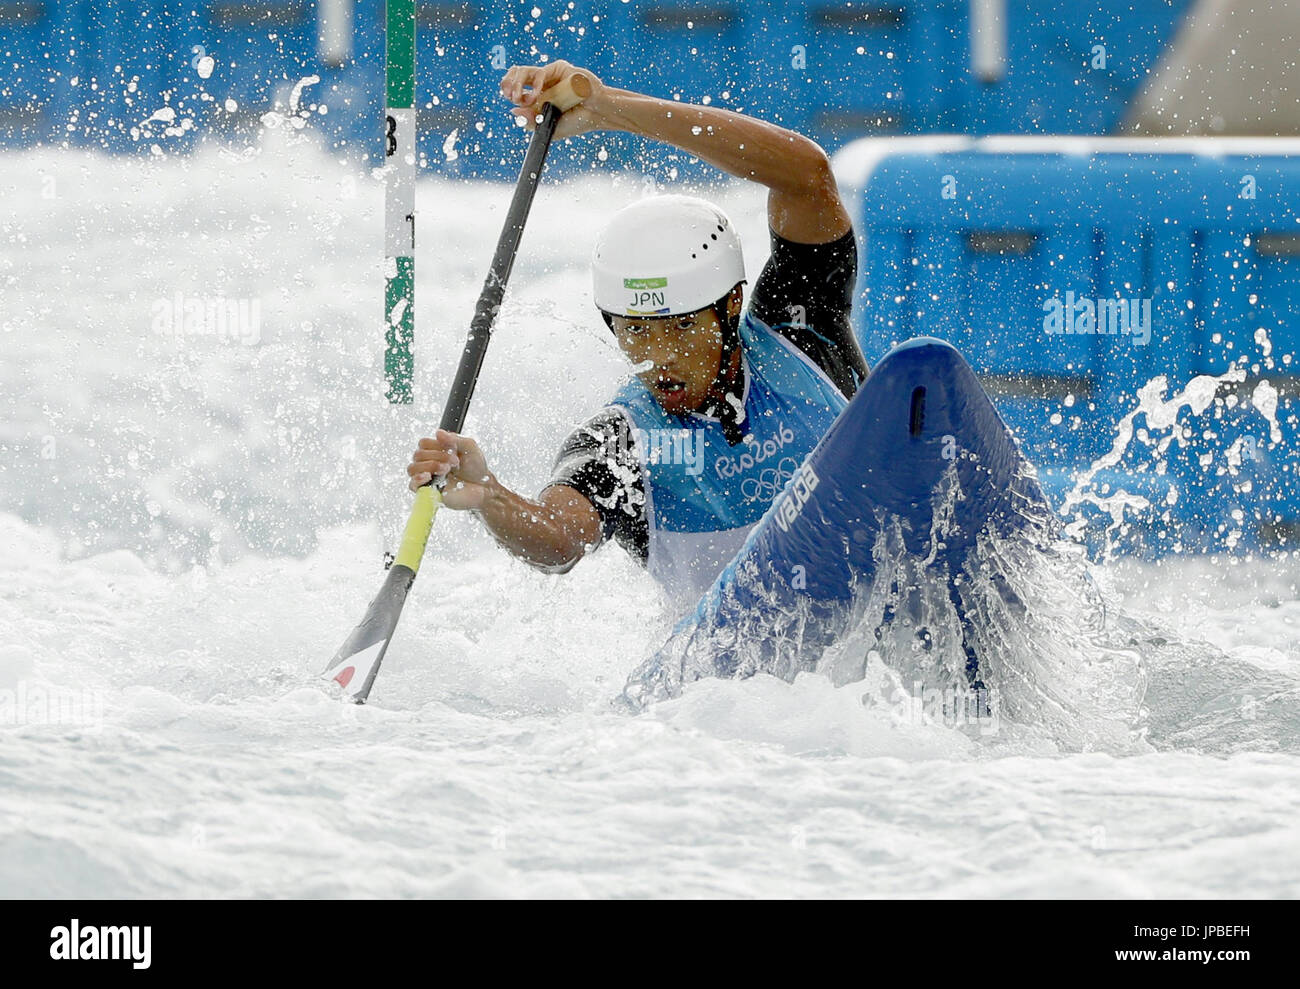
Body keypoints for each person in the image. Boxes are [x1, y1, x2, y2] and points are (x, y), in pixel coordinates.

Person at [407, 60, 868, 611]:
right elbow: (559, 538)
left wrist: (608, 108)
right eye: (635, 333)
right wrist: (489, 495)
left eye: (679, 327)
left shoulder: (801, 328)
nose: (657, 358)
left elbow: (805, 172)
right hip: (741, 684)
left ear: (732, 304)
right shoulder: (622, 443)